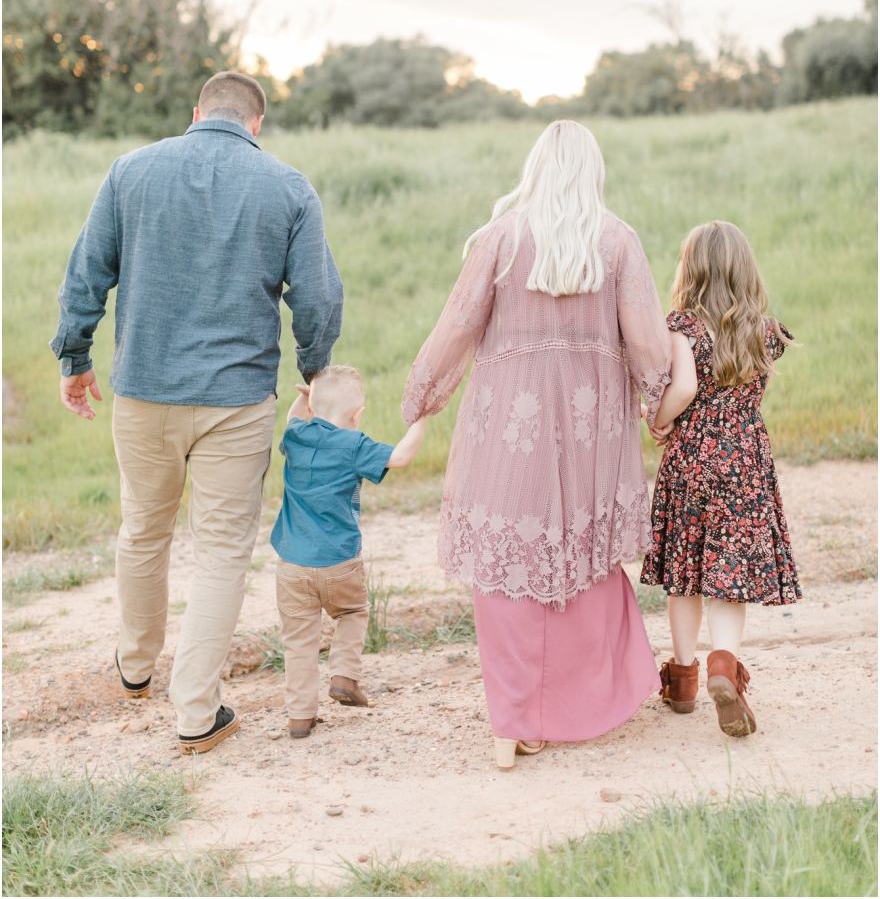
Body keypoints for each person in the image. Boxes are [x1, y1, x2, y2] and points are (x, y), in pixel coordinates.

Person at [51, 72, 344, 756]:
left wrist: (74, 356)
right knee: (219, 552)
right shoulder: (288, 186)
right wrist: (314, 369)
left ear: (197, 112)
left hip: (143, 389)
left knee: (143, 528)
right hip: (236, 401)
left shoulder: (131, 171)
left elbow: (86, 271)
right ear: (256, 122)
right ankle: (194, 712)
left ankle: (134, 663)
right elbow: (319, 299)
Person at [401, 120, 672, 770]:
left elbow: (457, 326)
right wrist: (655, 401)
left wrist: (422, 399)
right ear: (592, 171)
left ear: (535, 169)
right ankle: (575, 705)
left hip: (508, 426)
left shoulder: (500, 236)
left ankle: (514, 721)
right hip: (591, 426)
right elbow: (646, 340)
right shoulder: (617, 239)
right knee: (584, 559)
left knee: (509, 565)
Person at [640, 220, 800, 737]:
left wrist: (660, 418)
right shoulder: (765, 330)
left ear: (691, 270)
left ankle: (683, 678)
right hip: (745, 461)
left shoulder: (682, 327)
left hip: (692, 459)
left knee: (686, 571)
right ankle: (724, 667)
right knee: (728, 575)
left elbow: (683, 387)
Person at [272, 365, 427, 737]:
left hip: (292, 565)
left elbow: (293, 419)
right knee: (353, 611)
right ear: (356, 415)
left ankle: (300, 717)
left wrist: (304, 397)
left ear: (311, 409)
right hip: (340, 561)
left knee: (298, 641)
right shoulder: (353, 445)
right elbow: (401, 457)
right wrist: (421, 419)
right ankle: (343, 674)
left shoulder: (297, 436)